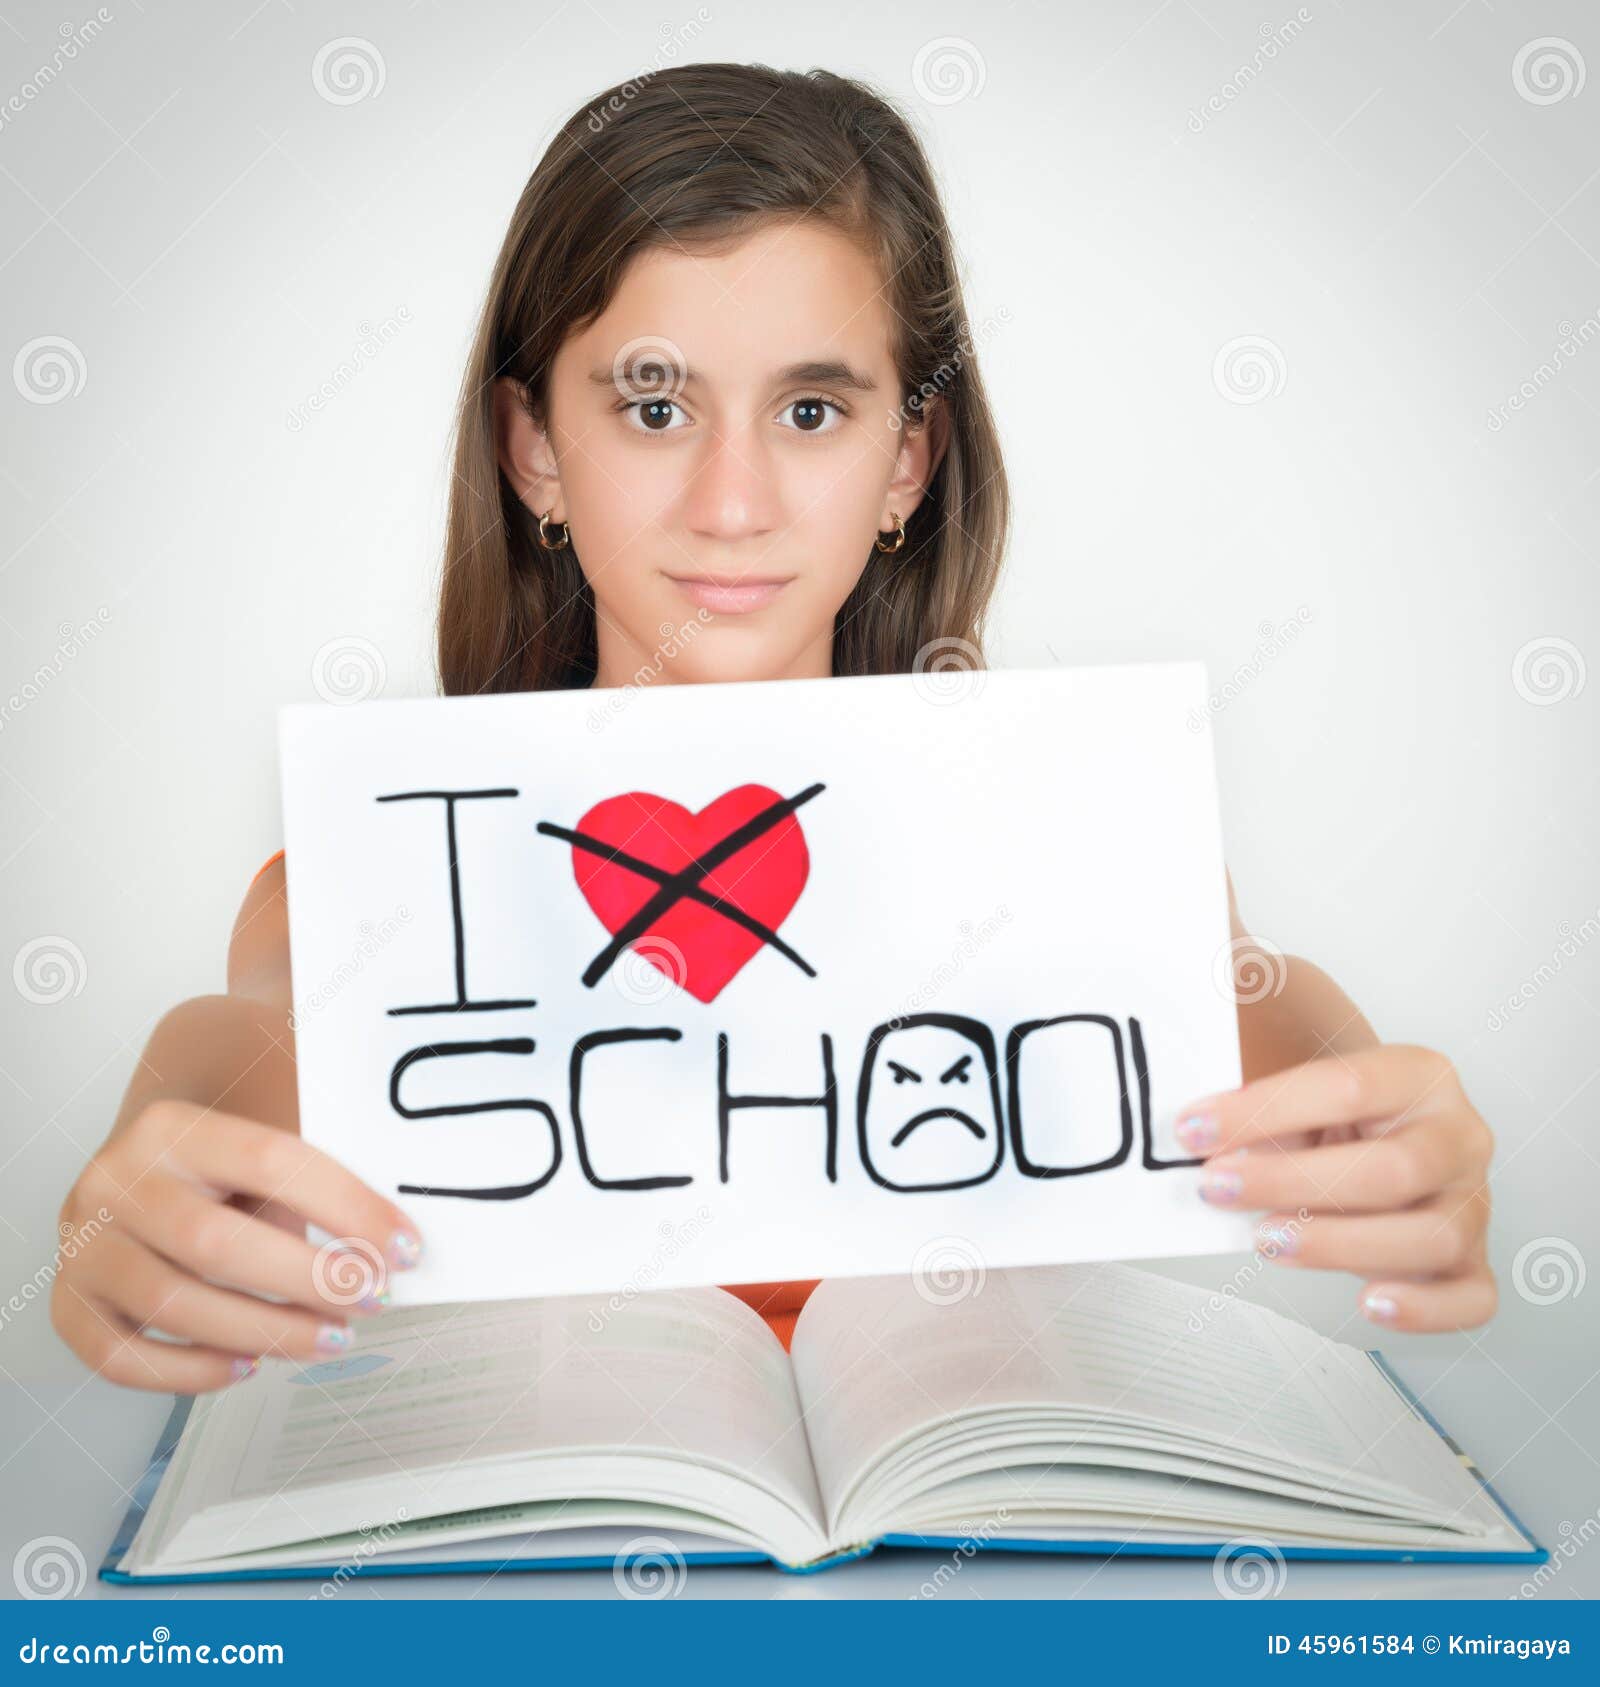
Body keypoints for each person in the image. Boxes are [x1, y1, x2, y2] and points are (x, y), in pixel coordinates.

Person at [50, 63, 1496, 1394]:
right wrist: (154, 1167)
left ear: (906, 461)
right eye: (656, 405)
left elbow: (1254, 1017)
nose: (732, 502)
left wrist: (1377, 1127)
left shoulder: (1063, 854)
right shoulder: (379, 883)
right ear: (535, 447)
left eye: (811, 410)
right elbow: (254, 1031)